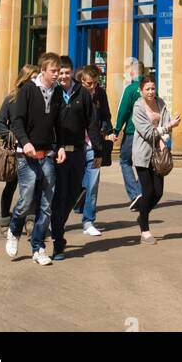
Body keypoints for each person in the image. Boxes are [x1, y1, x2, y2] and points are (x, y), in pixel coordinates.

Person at [6, 52, 65, 266]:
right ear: (43, 70)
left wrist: (60, 148)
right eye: (54, 71)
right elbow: (17, 120)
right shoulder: (28, 90)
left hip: (47, 154)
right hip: (26, 155)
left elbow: (59, 124)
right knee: (26, 200)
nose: (57, 74)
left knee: (46, 205)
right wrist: (25, 142)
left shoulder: (57, 92)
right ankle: (14, 231)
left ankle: (38, 247)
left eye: (58, 71)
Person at [49, 56, 103, 261]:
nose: (63, 75)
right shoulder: (52, 93)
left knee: (74, 195)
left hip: (79, 152)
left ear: (72, 72)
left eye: (66, 72)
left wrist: (98, 150)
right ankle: (58, 241)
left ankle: (57, 226)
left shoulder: (82, 93)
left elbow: (92, 122)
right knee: (60, 196)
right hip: (59, 154)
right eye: (59, 72)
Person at [130, 73, 181, 243]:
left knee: (158, 193)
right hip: (142, 154)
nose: (151, 92)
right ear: (141, 90)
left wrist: (166, 134)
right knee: (148, 191)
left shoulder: (160, 103)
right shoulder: (138, 107)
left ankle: (142, 215)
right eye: (147, 89)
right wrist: (168, 127)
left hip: (159, 154)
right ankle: (145, 230)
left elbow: (166, 128)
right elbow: (148, 132)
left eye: (153, 88)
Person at [0, 63, 38, 225]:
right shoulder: (12, 99)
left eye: (37, 78)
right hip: (15, 151)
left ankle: (30, 220)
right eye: (33, 78)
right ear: (24, 79)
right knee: (11, 185)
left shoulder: (39, 98)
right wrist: (13, 136)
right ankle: (5, 217)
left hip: (35, 148)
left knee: (32, 185)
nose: (36, 82)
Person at [74, 64, 114, 236]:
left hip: (95, 147)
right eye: (89, 83)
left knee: (93, 184)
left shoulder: (100, 93)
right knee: (73, 184)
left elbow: (106, 115)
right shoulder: (73, 94)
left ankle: (88, 221)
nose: (93, 87)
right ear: (81, 81)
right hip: (75, 146)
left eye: (95, 83)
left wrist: (107, 131)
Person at [112, 62, 144, 211]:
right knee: (143, 165)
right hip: (147, 134)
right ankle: (141, 192)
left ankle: (135, 193)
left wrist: (116, 129)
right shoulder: (150, 88)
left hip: (132, 132)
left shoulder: (130, 89)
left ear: (132, 73)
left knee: (125, 161)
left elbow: (123, 111)